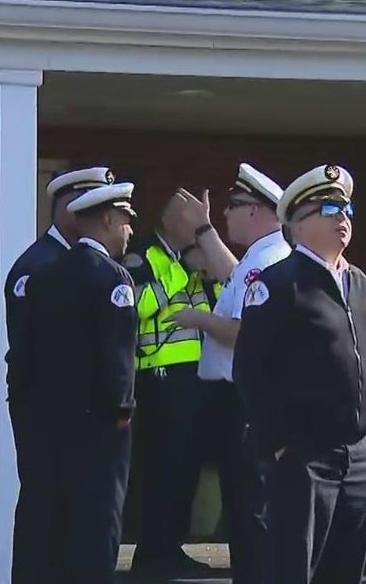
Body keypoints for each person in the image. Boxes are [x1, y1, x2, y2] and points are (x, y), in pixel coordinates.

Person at [233, 163, 366, 584]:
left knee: (344, 572)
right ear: (297, 224)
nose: (343, 218)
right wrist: (279, 444)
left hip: (359, 460)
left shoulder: (360, 284)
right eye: (330, 208)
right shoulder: (279, 283)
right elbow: (251, 370)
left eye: (348, 209)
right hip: (305, 460)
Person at [172, 163, 291, 584]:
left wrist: (197, 319)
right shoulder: (261, 257)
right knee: (242, 509)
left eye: (234, 206)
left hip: (243, 402)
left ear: (256, 211)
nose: (227, 214)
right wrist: (203, 231)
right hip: (233, 400)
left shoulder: (272, 257)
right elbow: (233, 274)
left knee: (250, 511)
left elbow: (246, 333)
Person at [25, 181, 138, 584]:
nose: (129, 231)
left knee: (56, 524)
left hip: (51, 422)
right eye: (125, 221)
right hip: (100, 426)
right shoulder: (113, 278)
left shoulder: (44, 276)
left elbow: (29, 353)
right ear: (107, 220)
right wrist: (123, 409)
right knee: (98, 525)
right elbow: (117, 355)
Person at [4, 165, 113, 584]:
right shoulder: (37, 266)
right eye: (92, 206)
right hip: (44, 412)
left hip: (73, 415)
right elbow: (35, 352)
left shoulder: (74, 263)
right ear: (69, 208)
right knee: (43, 514)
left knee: (72, 519)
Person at [121, 193, 216, 576]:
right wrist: (179, 271)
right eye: (191, 217)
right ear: (171, 219)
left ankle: (171, 547)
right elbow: (137, 305)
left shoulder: (195, 257)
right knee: (162, 469)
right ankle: (153, 553)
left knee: (185, 468)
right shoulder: (144, 255)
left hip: (195, 379)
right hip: (158, 380)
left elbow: (214, 304)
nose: (196, 225)